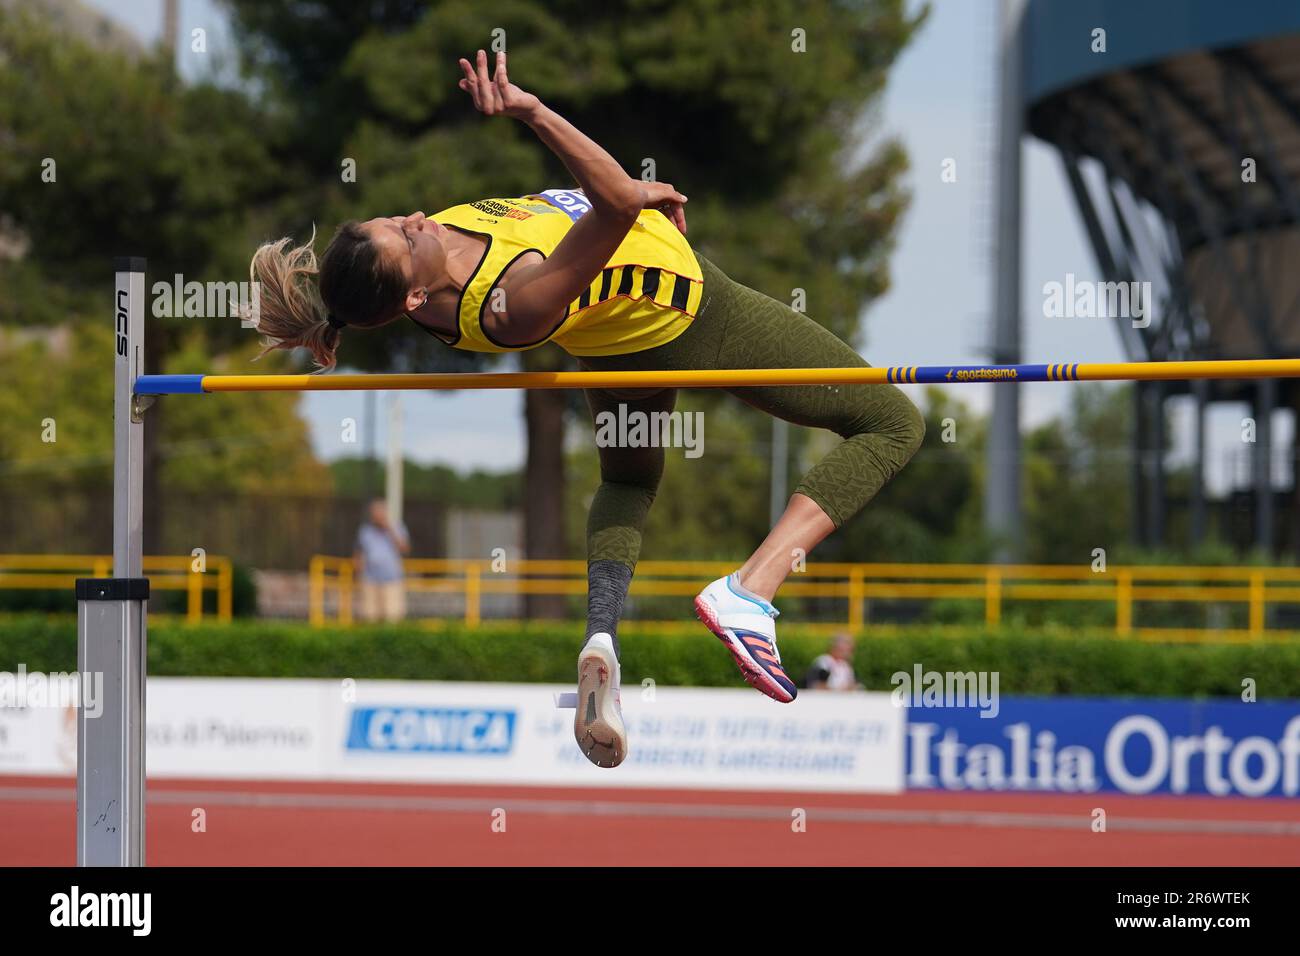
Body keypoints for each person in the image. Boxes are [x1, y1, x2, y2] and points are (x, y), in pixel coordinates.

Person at [246, 51, 923, 769]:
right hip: (688, 313)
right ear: (413, 299)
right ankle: (751, 589)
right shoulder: (508, 309)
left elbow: (580, 205)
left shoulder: (431, 250)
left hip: (618, 349)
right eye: (406, 235)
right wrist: (535, 114)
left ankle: (602, 642)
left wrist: (634, 197)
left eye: (396, 218)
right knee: (892, 423)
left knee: (629, 483)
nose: (416, 218)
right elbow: (612, 208)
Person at [353, 499, 410, 622]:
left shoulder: (397, 528)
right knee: (369, 617)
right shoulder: (365, 531)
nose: (378, 516)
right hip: (370, 580)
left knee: (393, 617)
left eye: (380, 512)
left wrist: (390, 529)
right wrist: (358, 572)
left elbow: (404, 549)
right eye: (375, 513)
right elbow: (358, 552)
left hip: (391, 579)